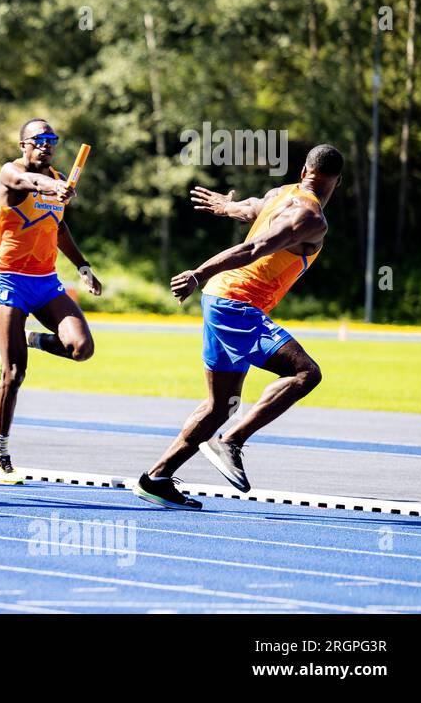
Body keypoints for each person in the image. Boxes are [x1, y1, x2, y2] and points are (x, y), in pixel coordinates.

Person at [133, 144, 342, 510]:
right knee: (306, 374)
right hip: (236, 303)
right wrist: (199, 273)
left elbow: (251, 209)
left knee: (221, 404)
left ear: (304, 171)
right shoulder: (312, 218)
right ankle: (231, 441)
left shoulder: (282, 194)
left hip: (221, 299)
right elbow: (255, 247)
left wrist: (226, 206)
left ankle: (157, 478)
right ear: (336, 182)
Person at [0, 118, 102, 485]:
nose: (46, 145)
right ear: (23, 145)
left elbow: (59, 227)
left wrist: (83, 266)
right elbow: (30, 183)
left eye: (52, 140)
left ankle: (31, 338)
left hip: (46, 282)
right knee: (14, 375)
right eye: (39, 140)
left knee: (82, 348)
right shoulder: (10, 173)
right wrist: (55, 186)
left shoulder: (57, 177)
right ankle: (0, 456)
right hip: (10, 280)